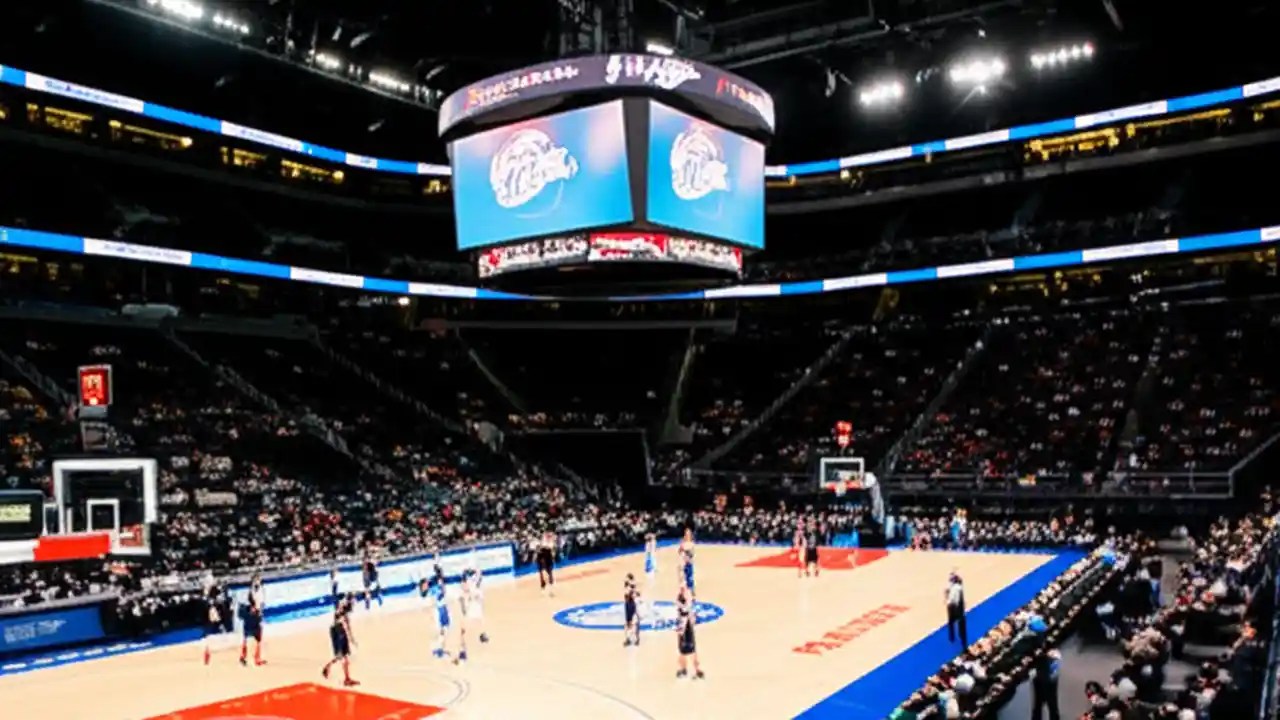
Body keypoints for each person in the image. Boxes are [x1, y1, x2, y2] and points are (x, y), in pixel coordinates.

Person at [321, 593, 359, 687]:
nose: (355, 602)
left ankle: (328, 667)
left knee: (340, 655)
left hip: (335, 630)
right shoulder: (345, 609)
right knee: (344, 656)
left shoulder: (341, 607)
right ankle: (346, 679)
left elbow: (340, 620)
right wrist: (351, 638)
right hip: (339, 631)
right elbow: (346, 623)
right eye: (354, 600)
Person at [421, 576, 454, 662]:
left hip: (442, 608)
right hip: (439, 610)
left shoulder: (434, 589)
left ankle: (440, 648)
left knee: (445, 629)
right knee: (441, 630)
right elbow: (439, 596)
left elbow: (443, 592)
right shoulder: (431, 592)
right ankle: (439, 650)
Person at [674, 584, 704, 680]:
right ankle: (696, 671)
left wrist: (681, 630)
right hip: (688, 627)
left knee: (684, 652)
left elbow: (685, 617)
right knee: (692, 651)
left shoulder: (684, 606)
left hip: (685, 629)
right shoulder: (687, 604)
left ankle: (686, 670)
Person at [240, 573, 266, 666]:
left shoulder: (261, 590)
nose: (257, 581)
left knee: (258, 638)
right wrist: (252, 609)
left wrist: (260, 612)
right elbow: (246, 603)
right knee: (247, 637)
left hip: (257, 614)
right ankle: (244, 657)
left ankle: (256, 658)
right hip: (251, 615)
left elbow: (262, 603)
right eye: (256, 580)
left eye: (258, 580)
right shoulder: (250, 591)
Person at [202, 583, 224, 665]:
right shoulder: (208, 599)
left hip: (209, 615)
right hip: (207, 616)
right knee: (207, 637)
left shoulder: (212, 599)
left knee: (208, 637)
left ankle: (207, 654)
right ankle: (207, 654)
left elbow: (215, 604)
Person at [946, 570, 967, 646]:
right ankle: (962, 639)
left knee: (951, 622)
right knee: (960, 623)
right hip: (957, 606)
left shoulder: (953, 586)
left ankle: (952, 637)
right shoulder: (958, 587)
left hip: (952, 606)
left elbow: (949, 596)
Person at [623, 573, 641, 647]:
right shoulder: (627, 586)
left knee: (634, 623)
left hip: (632, 605)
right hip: (628, 605)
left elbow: (637, 594)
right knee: (627, 624)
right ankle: (628, 639)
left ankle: (637, 639)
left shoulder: (632, 586)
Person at [679, 529, 696, 595]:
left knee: (690, 578)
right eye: (686, 534)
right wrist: (683, 556)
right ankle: (684, 593)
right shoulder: (683, 543)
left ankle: (692, 591)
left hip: (690, 563)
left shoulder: (692, 543)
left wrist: (690, 559)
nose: (687, 536)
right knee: (683, 578)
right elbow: (680, 552)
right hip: (684, 563)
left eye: (689, 534)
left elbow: (693, 554)